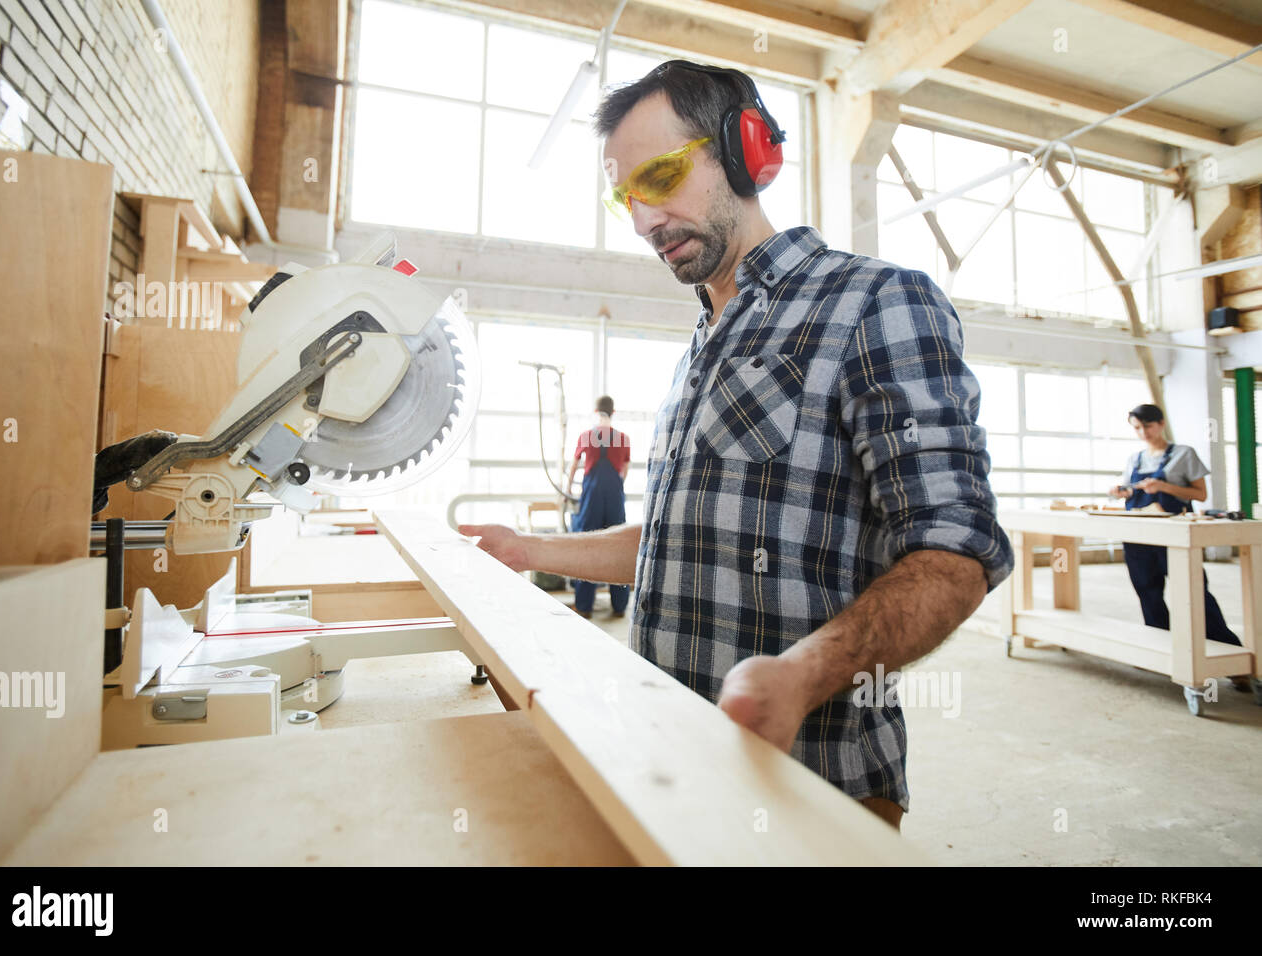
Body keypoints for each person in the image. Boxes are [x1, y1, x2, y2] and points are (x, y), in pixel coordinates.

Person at [460, 60, 1012, 828]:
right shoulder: (701, 343)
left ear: (748, 149)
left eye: (660, 178)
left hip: (816, 782)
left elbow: (957, 554)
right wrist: (529, 550)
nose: (644, 221)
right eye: (626, 198)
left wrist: (801, 675)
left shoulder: (876, 303)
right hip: (671, 766)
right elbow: (677, 542)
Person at [1109, 403, 1249, 687]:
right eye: (1137, 428)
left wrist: (1164, 487)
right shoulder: (1134, 459)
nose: (1143, 433)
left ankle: (1233, 659)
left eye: (1148, 426)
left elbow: (1200, 493)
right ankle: (1161, 652)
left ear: (1161, 424)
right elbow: (1131, 492)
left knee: (1195, 593)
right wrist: (1122, 492)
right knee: (1148, 593)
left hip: (1175, 534)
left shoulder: (1184, 454)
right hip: (1139, 535)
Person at [565, 396, 631, 619]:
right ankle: (619, 607)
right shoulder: (623, 438)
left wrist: (568, 490)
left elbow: (574, 466)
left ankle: (584, 607)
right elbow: (624, 470)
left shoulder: (586, 436)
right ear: (613, 412)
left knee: (588, 546)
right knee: (617, 546)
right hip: (614, 496)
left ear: (596, 412)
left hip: (591, 496)